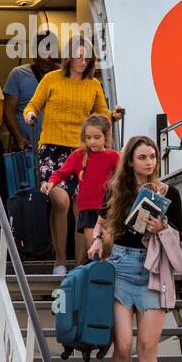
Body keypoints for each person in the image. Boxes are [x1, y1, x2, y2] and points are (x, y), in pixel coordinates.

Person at [88, 135, 182, 362]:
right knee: (123, 343)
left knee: (147, 348)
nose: (149, 163)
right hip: (119, 266)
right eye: (142, 157)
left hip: (152, 270)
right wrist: (95, 240)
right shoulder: (116, 189)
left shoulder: (169, 193)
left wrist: (164, 229)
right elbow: (101, 224)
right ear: (130, 160)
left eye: (153, 157)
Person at [22, 35, 124, 274]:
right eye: (78, 56)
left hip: (82, 150)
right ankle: (59, 260)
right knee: (61, 201)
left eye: (87, 57)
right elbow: (33, 105)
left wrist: (114, 115)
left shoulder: (93, 85)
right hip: (52, 148)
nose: (82, 60)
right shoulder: (51, 79)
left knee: (82, 206)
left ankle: (79, 265)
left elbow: (102, 115)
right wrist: (29, 116)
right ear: (68, 57)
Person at [39, 114, 119, 267]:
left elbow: (124, 178)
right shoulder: (79, 155)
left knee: (108, 247)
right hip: (88, 211)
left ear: (106, 136)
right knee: (94, 249)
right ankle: (95, 279)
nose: (92, 142)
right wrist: (51, 183)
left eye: (97, 137)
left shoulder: (114, 156)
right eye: (88, 138)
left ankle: (108, 280)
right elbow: (61, 172)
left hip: (108, 210)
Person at [2, 28, 59, 153]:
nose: (46, 59)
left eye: (50, 54)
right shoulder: (18, 74)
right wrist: (19, 138)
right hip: (26, 148)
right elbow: (8, 111)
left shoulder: (64, 75)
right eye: (42, 54)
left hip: (56, 149)